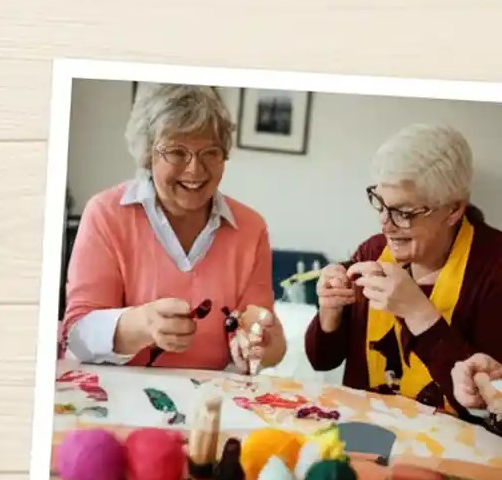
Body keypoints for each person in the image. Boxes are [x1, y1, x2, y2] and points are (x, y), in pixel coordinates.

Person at [58, 83, 285, 372]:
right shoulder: (105, 214)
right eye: (176, 152)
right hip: (116, 401)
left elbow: (264, 336)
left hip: (211, 403)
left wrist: (262, 347)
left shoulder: (251, 228)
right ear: (148, 154)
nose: (194, 170)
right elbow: (75, 336)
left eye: (210, 152)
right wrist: (141, 325)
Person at [305, 123, 502, 418]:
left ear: (454, 210)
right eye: (381, 204)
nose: (385, 223)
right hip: (364, 436)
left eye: (404, 213)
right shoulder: (372, 252)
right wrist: (329, 313)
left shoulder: (494, 267)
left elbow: (489, 406)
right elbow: (322, 360)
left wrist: (420, 314)